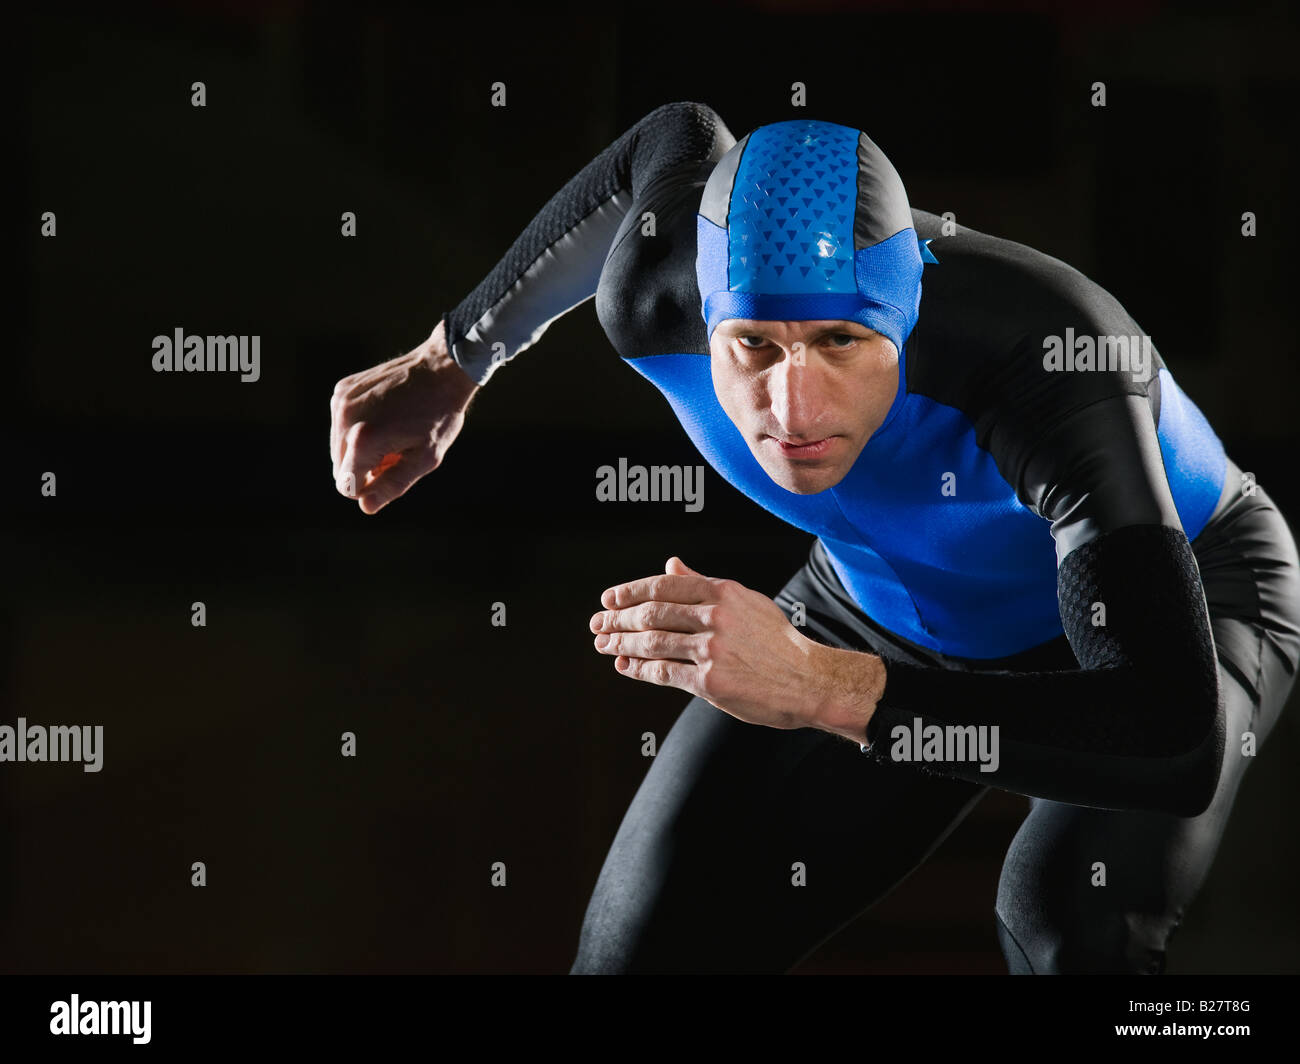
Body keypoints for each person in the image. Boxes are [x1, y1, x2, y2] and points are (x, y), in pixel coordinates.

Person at [328, 102, 1300, 974]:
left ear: (908, 315)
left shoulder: (1047, 361)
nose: (791, 408)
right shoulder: (653, 291)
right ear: (702, 311)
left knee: (1065, 924)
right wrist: (451, 357)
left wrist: (815, 684)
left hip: (1180, 588)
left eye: (841, 341)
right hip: (886, 600)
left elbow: (1172, 740)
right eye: (752, 344)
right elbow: (670, 140)